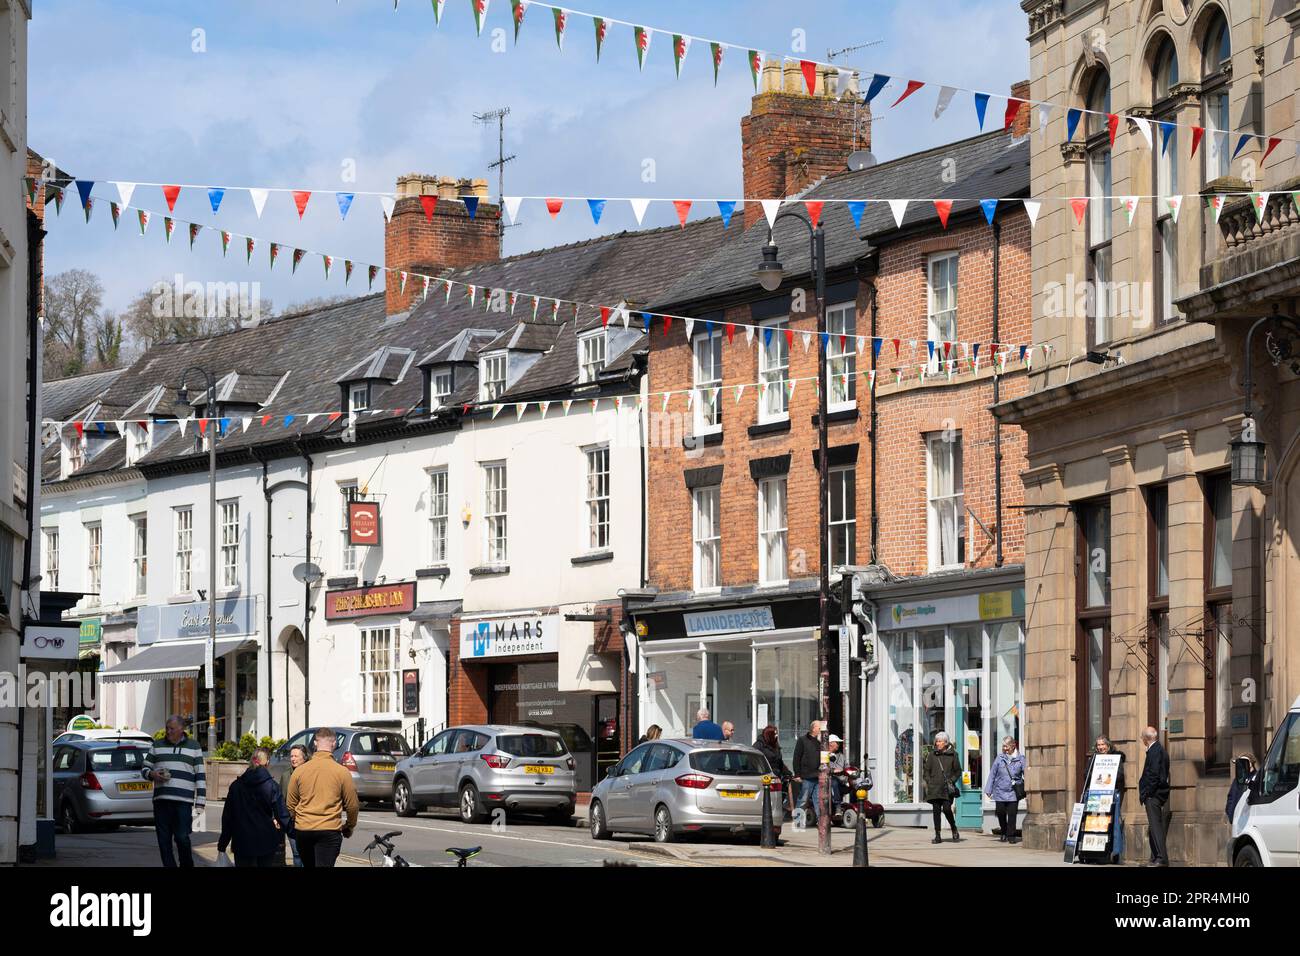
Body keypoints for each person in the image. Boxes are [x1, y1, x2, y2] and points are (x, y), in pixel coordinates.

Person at [287, 727, 360, 868]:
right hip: (329, 830)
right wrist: (349, 826)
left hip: (304, 831)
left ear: (315, 743)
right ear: (334, 744)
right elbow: (352, 805)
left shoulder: (299, 771)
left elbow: (290, 804)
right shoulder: (342, 772)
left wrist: (300, 820)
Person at [142, 715, 206, 868]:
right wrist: (152, 774)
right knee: (164, 841)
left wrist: (200, 803)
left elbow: (200, 775)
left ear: (181, 729)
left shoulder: (194, 746)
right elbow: (144, 768)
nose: (168, 731)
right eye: (167, 728)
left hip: (183, 802)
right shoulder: (157, 745)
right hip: (161, 801)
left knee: (182, 837)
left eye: (171, 729)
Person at [219, 748, 293, 867]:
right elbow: (282, 815)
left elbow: (228, 817)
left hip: (242, 841)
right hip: (265, 841)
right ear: (267, 762)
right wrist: (294, 833)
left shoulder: (236, 786)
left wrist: (222, 844)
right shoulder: (272, 786)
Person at [1138, 726, 1171, 867]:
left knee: (1156, 826)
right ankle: (1155, 857)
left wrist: (1147, 793)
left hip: (1154, 795)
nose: (1142, 740)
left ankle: (1161, 858)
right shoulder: (1158, 750)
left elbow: (1154, 775)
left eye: (1142, 738)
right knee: (1153, 826)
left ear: (1145, 739)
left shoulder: (1155, 751)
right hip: (1155, 794)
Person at [984, 736, 1026, 844]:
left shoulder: (1021, 759)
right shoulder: (999, 758)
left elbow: (1027, 774)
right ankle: (1003, 831)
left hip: (1013, 791)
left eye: (1006, 746)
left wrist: (1028, 787)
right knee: (1000, 812)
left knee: (1012, 814)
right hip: (1000, 791)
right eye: (1003, 746)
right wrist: (988, 789)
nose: (1004, 748)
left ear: (1013, 746)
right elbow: (992, 774)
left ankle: (1011, 835)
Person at [922, 731, 961, 844]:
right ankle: (937, 835)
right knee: (936, 811)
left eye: (939, 741)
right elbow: (926, 771)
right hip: (934, 788)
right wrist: (929, 782)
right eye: (936, 741)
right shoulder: (932, 754)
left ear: (945, 742)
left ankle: (953, 827)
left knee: (947, 809)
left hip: (946, 788)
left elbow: (958, 771)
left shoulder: (953, 754)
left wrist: (952, 780)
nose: (937, 743)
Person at [1093, 736, 1126, 863]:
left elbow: (1120, 776)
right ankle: (1097, 852)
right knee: (1098, 822)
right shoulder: (1094, 758)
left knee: (1114, 823)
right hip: (1096, 794)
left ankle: (1115, 853)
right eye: (1098, 745)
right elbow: (1087, 774)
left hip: (1111, 793)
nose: (1101, 747)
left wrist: (1109, 774)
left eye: (1103, 745)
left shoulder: (1116, 758)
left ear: (1108, 745)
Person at [278, 744, 308, 866]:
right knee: (296, 854)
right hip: (292, 822)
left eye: (296, 756)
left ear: (304, 758)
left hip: (308, 821)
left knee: (307, 854)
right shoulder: (286, 775)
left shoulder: (310, 773)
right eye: (291, 756)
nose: (293, 759)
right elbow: (281, 798)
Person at [754, 725, 793, 812]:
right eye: (775, 734)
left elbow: (779, 762)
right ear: (769, 735)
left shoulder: (775, 745)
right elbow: (754, 761)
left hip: (776, 777)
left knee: (777, 798)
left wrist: (787, 772)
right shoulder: (759, 746)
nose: (776, 736)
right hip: (765, 777)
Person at [791, 720, 823, 824]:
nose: (820, 730)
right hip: (806, 776)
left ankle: (820, 822)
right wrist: (797, 774)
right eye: (819, 728)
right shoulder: (802, 740)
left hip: (817, 776)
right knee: (803, 800)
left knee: (818, 800)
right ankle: (798, 822)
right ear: (813, 728)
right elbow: (796, 757)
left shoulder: (819, 743)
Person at [1225, 752, 1257, 823]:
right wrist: (1230, 813)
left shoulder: (1257, 778)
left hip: (1249, 820)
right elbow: (1231, 797)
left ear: (1251, 763)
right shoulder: (1238, 780)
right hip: (1236, 819)